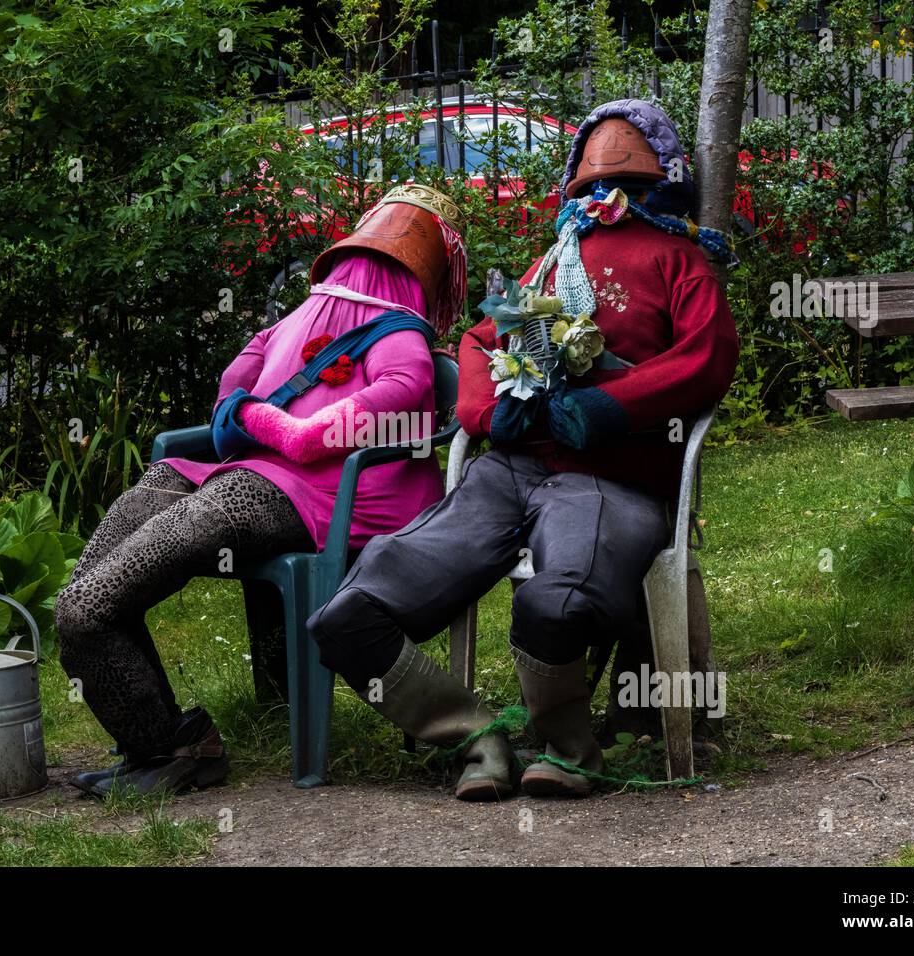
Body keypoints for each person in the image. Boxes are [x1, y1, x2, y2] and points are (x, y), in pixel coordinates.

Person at [307, 99, 739, 801]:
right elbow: (480, 339)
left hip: (610, 480)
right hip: (507, 471)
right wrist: (486, 411)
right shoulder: (556, 256)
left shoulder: (681, 260)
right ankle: (475, 735)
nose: (605, 196)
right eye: (595, 185)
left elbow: (708, 359)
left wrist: (611, 406)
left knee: (556, 602)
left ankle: (569, 747)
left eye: (618, 182)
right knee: (349, 616)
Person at [55, 185, 467, 797]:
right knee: (84, 597)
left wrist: (277, 428)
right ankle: (162, 743)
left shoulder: (397, 334)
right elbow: (232, 396)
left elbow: (397, 391)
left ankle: (173, 749)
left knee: (86, 605)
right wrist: (272, 426)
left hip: (324, 500)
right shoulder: (295, 322)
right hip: (244, 479)